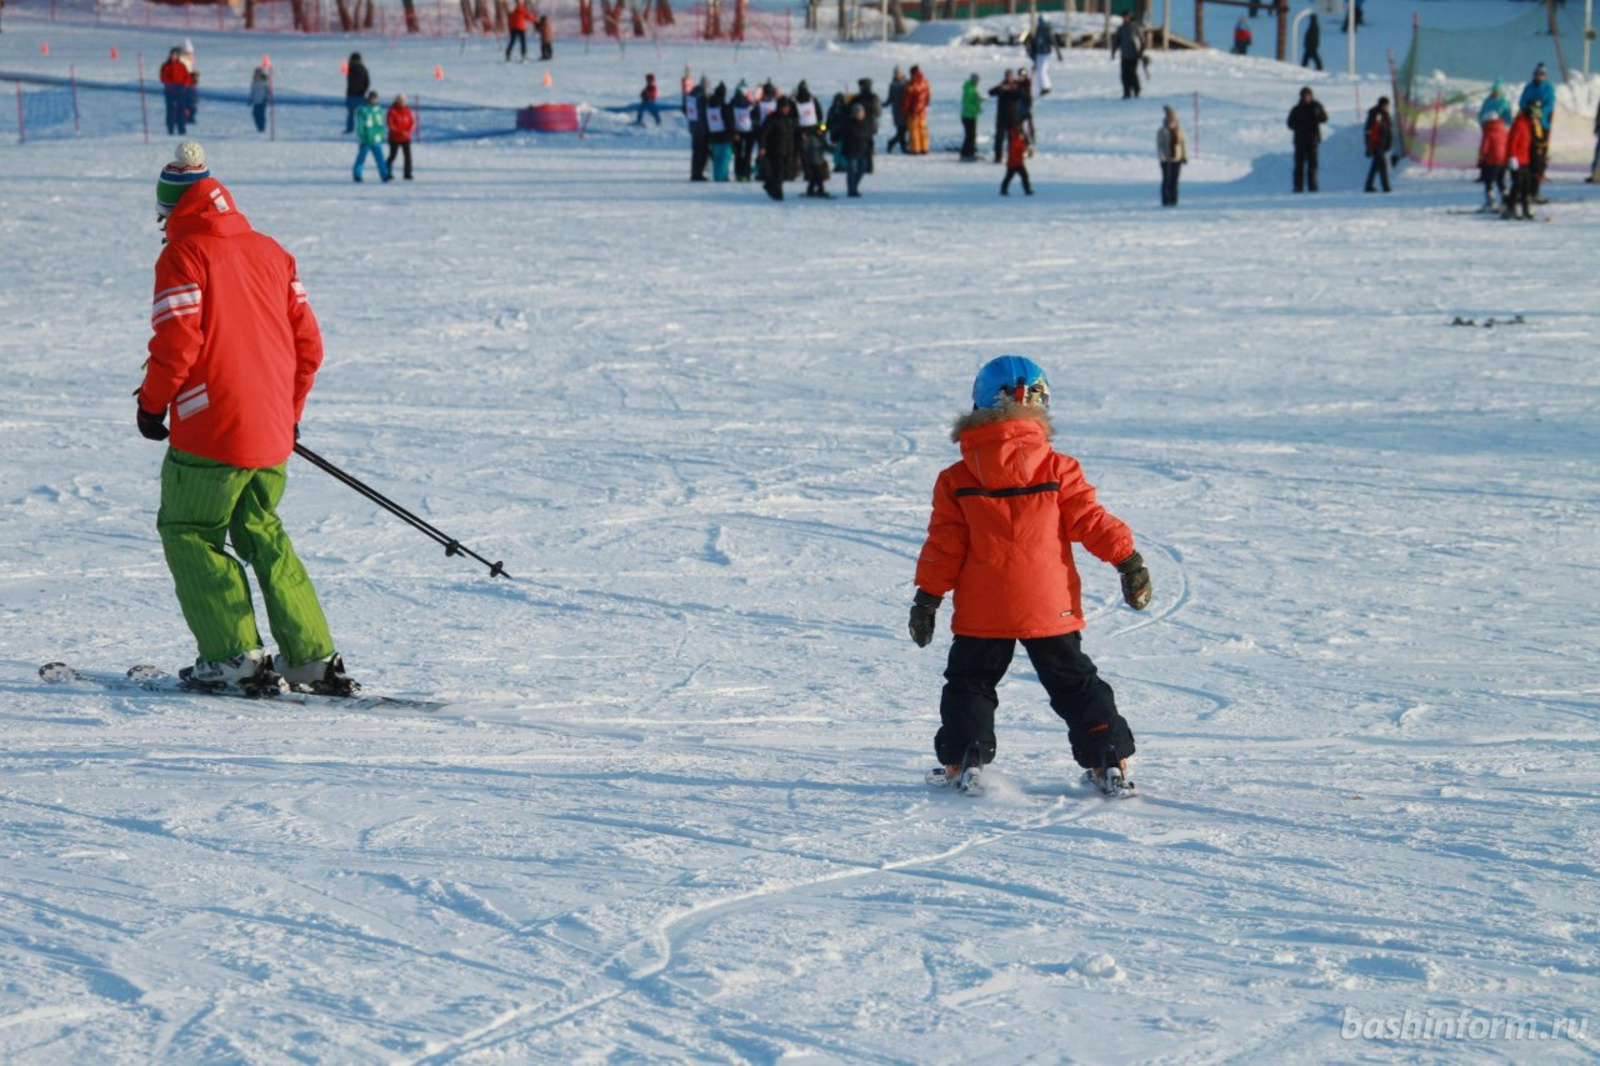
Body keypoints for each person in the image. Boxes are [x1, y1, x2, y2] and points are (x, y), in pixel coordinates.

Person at [139, 141, 356, 697]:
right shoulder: (271, 252)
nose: (161, 227)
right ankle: (310, 657)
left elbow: (179, 340)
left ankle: (233, 656)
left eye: (162, 216)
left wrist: (151, 402)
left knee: (190, 530)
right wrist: (288, 412)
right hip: (269, 430)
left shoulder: (184, 256)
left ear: (176, 210)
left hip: (211, 430)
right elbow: (309, 346)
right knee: (263, 531)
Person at [909, 355, 1151, 796]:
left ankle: (964, 759)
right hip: (1047, 602)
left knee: (971, 682)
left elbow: (945, 545)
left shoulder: (957, 478)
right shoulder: (1058, 469)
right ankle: (1107, 757)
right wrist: (1128, 560)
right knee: (1074, 681)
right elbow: (1091, 521)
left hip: (984, 609)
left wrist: (928, 597)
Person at [1518, 64, 1555, 202]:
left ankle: (1535, 189)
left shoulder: (1548, 88)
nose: (1539, 77)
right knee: (1527, 157)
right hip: (1528, 126)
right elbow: (1522, 102)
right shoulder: (1529, 88)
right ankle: (1525, 190)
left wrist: (1539, 112)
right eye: (1537, 74)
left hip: (1541, 127)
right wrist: (1528, 109)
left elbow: (1549, 105)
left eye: (1542, 74)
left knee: (1539, 158)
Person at [1503, 100, 1540, 220]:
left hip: (1525, 160)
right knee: (1517, 185)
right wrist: (1512, 157)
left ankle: (1525, 208)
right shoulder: (1519, 124)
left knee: (1526, 186)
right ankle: (1510, 208)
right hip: (1517, 160)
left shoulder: (1528, 125)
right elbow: (1512, 142)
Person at [1287, 86, 1327, 192]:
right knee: (1299, 165)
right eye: (1304, 96)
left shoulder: (1316, 107)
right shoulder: (1296, 109)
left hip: (1313, 140)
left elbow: (1324, 118)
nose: (1306, 98)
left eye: (1308, 96)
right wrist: (1300, 126)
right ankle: (1298, 187)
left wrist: (1319, 113)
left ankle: (1312, 186)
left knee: (1312, 165)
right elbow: (1290, 123)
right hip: (1300, 140)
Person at [758, 96, 797, 201]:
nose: (787, 109)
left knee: (783, 172)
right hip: (775, 150)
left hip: (787, 150)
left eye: (788, 107)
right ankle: (777, 193)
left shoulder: (789, 120)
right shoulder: (772, 119)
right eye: (785, 107)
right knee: (778, 172)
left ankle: (769, 185)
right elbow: (763, 134)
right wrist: (762, 147)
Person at [353, 91, 392, 183]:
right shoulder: (363, 110)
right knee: (361, 158)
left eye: (375, 98)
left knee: (380, 159)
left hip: (376, 139)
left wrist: (382, 135)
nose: (374, 100)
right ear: (369, 99)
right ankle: (357, 174)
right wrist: (362, 135)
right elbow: (360, 125)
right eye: (372, 98)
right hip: (366, 139)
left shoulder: (379, 110)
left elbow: (381, 124)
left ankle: (385, 175)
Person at [1110, 10, 1146, 99]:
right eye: (1124, 17)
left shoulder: (1135, 27)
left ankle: (1136, 90)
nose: (1125, 18)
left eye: (1127, 17)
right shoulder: (1121, 29)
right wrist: (1113, 52)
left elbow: (1142, 41)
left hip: (1134, 55)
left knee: (1132, 74)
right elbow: (1116, 41)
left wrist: (1140, 52)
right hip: (1124, 56)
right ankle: (1126, 92)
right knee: (1124, 75)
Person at [988, 69, 1021, 164]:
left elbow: (1022, 95)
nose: (1009, 78)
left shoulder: (1017, 86)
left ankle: (1013, 156)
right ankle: (998, 157)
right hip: (1002, 117)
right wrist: (1001, 89)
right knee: (999, 138)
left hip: (1013, 117)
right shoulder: (1002, 86)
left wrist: (1014, 90)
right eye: (1007, 76)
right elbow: (991, 92)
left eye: (1010, 76)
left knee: (1013, 139)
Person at [841, 102, 873, 197]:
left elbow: (869, 138)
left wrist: (870, 148)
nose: (860, 115)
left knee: (861, 170)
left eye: (861, 113)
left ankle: (854, 186)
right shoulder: (848, 124)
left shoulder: (866, 124)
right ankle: (851, 190)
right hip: (851, 151)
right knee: (851, 171)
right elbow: (843, 136)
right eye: (858, 113)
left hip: (862, 151)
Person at [1364, 97, 1393, 193]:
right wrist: (1369, 145)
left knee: (1375, 166)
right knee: (1383, 165)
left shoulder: (1386, 115)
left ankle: (1368, 185)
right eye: (1385, 105)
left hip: (1383, 144)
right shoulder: (1376, 114)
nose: (1387, 107)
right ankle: (1386, 186)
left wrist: (1388, 142)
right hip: (1377, 144)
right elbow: (1370, 130)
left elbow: (1388, 130)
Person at [1157, 104, 1186, 206]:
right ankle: (1166, 200)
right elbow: (1160, 145)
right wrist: (1162, 157)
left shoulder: (1179, 131)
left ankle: (1174, 200)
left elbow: (1183, 143)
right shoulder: (1162, 131)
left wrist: (1184, 156)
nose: (1171, 120)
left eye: (1173, 118)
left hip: (1176, 159)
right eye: (1169, 118)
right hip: (1166, 160)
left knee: (1175, 180)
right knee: (1167, 180)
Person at [159, 48, 191, 136]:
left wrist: (184, 85)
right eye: (172, 54)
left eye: (175, 55)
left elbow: (187, 77)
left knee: (181, 110)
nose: (173, 56)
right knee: (170, 110)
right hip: (170, 91)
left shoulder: (182, 66)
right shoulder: (166, 66)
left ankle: (181, 129)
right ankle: (170, 128)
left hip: (180, 90)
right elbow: (163, 77)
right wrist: (170, 85)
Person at [1027, 15, 1062, 96]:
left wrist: (1059, 54)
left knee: (1042, 70)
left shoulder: (1047, 31)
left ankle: (1047, 87)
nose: (1039, 23)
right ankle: (1042, 87)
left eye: (1041, 21)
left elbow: (1054, 42)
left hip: (1045, 53)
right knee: (1039, 71)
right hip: (1039, 54)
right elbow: (1035, 44)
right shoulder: (1038, 31)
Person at [707, 82, 733, 182]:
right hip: (725, 137)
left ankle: (717, 176)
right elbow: (729, 122)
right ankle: (721, 178)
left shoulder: (710, 106)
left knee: (716, 159)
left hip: (714, 137)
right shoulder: (724, 107)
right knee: (724, 159)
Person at [386, 93, 416, 180]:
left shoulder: (407, 110)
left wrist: (408, 131)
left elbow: (412, 122)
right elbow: (390, 124)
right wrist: (399, 132)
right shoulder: (392, 110)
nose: (402, 102)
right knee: (393, 155)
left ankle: (407, 173)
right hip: (394, 137)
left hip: (406, 137)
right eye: (400, 100)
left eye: (403, 100)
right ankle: (387, 171)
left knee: (408, 156)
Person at [685, 76, 710, 181]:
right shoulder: (701, 97)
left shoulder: (691, 95)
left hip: (693, 128)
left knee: (696, 152)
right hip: (701, 129)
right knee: (702, 152)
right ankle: (698, 174)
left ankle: (695, 172)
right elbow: (704, 114)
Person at [731, 83, 756, 180]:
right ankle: (746, 173)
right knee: (747, 154)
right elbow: (754, 117)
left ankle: (738, 173)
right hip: (748, 131)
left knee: (738, 154)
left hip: (737, 132)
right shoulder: (749, 104)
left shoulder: (732, 103)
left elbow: (730, 119)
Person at [904, 66, 930, 155]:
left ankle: (915, 148)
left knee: (914, 130)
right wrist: (925, 105)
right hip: (922, 111)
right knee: (923, 130)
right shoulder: (925, 82)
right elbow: (928, 96)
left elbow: (907, 99)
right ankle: (924, 147)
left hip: (913, 111)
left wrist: (904, 109)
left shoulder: (912, 84)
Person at [999, 125, 1032, 196]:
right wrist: (1025, 153)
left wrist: (1027, 152)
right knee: (1018, 176)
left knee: (1012, 177)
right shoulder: (1015, 142)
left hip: (1017, 162)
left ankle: (1027, 190)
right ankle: (1027, 190)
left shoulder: (1020, 141)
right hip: (1014, 163)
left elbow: (1023, 151)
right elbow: (1016, 153)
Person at [344, 53, 370, 135]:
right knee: (362, 114)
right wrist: (364, 90)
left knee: (351, 114)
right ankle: (362, 129)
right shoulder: (363, 69)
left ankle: (350, 129)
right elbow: (367, 82)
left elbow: (345, 75)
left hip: (350, 94)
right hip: (361, 94)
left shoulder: (350, 68)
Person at [885, 66, 909, 154]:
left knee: (903, 131)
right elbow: (890, 98)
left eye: (898, 73)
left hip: (905, 110)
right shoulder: (893, 85)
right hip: (897, 112)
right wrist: (883, 104)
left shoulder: (906, 83)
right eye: (895, 73)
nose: (897, 75)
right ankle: (899, 146)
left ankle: (896, 144)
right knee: (901, 131)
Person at [959, 73, 982, 161]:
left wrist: (978, 103)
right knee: (970, 135)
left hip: (971, 115)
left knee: (971, 135)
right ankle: (966, 153)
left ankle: (969, 152)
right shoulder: (969, 89)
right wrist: (976, 104)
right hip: (968, 115)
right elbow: (967, 103)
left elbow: (973, 101)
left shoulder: (972, 88)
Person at [249, 67, 270, 134]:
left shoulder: (264, 82)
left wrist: (266, 98)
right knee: (255, 114)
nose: (256, 74)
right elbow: (252, 92)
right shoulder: (254, 82)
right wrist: (250, 99)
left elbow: (268, 91)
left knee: (261, 115)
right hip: (256, 101)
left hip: (262, 101)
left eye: (258, 73)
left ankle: (262, 128)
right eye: (255, 73)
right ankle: (259, 127)